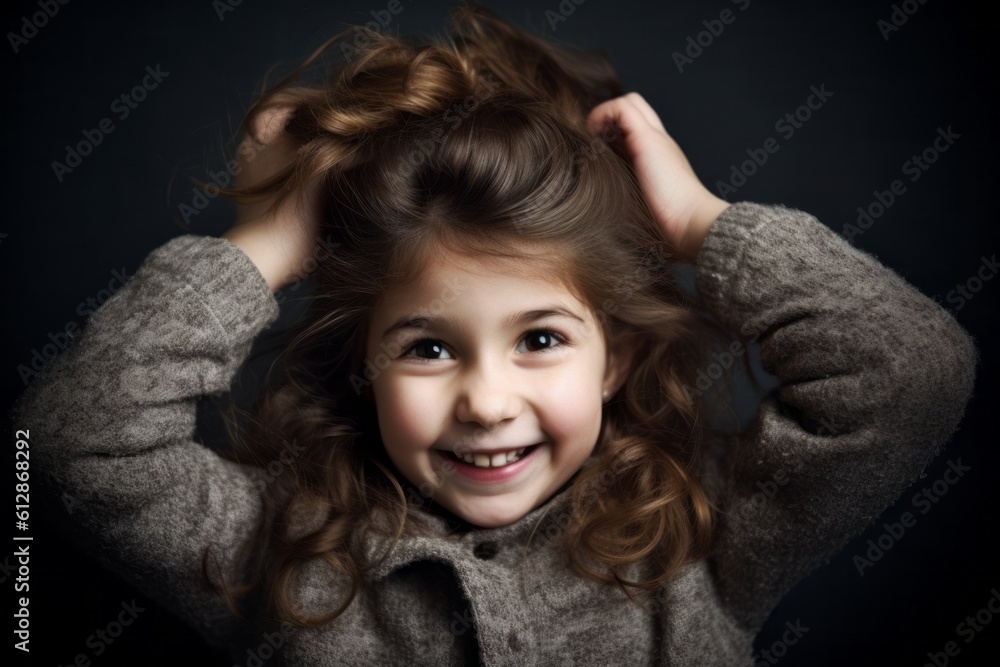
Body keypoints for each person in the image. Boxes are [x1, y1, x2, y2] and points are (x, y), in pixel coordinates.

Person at [12, 2, 978, 665]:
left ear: (621, 356)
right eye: (428, 346)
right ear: (364, 362)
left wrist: (699, 223)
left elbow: (909, 370)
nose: (484, 400)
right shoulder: (279, 551)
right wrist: (265, 243)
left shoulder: (697, 538)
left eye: (542, 339)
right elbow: (68, 442)